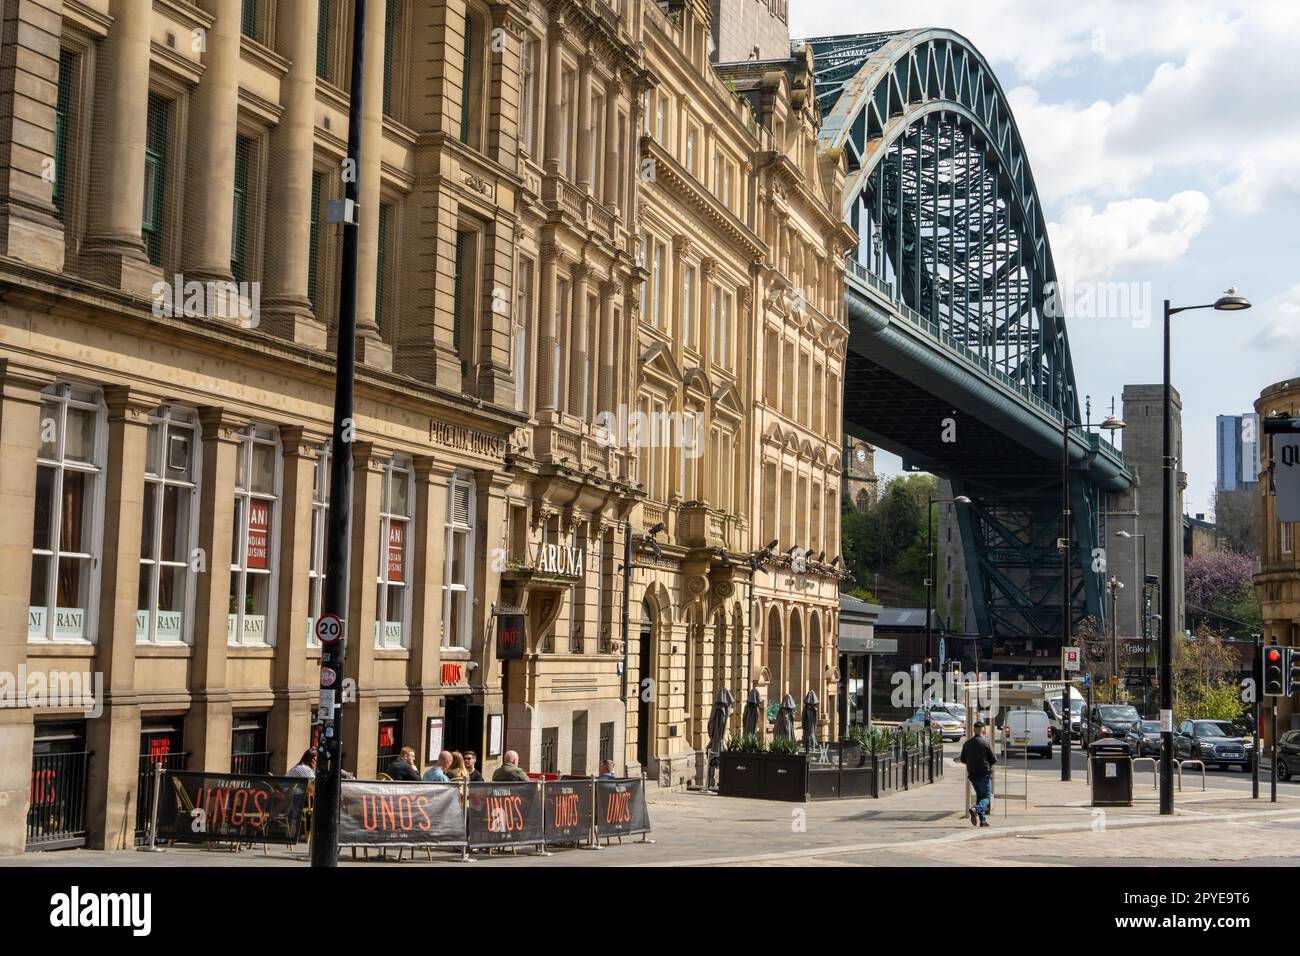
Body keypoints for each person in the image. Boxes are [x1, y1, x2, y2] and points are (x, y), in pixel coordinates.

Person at [959, 720, 997, 827]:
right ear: (983, 730)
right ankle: (976, 809)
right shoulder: (985, 743)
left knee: (980, 797)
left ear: (974, 730)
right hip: (984, 774)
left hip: (973, 776)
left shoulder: (967, 744)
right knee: (986, 797)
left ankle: (983, 820)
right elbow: (994, 759)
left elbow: (962, 759)